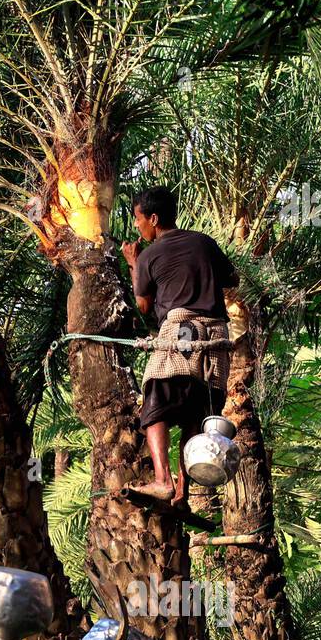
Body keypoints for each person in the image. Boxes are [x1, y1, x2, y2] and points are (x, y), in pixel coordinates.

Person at [120, 186, 237, 506]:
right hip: (215, 340)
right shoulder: (204, 242)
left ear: (153, 219)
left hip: (180, 333)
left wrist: (133, 263)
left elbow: (143, 306)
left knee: (155, 402)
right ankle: (183, 492)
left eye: (138, 219)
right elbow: (232, 279)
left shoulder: (149, 255)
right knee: (195, 415)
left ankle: (162, 481)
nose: (137, 226)